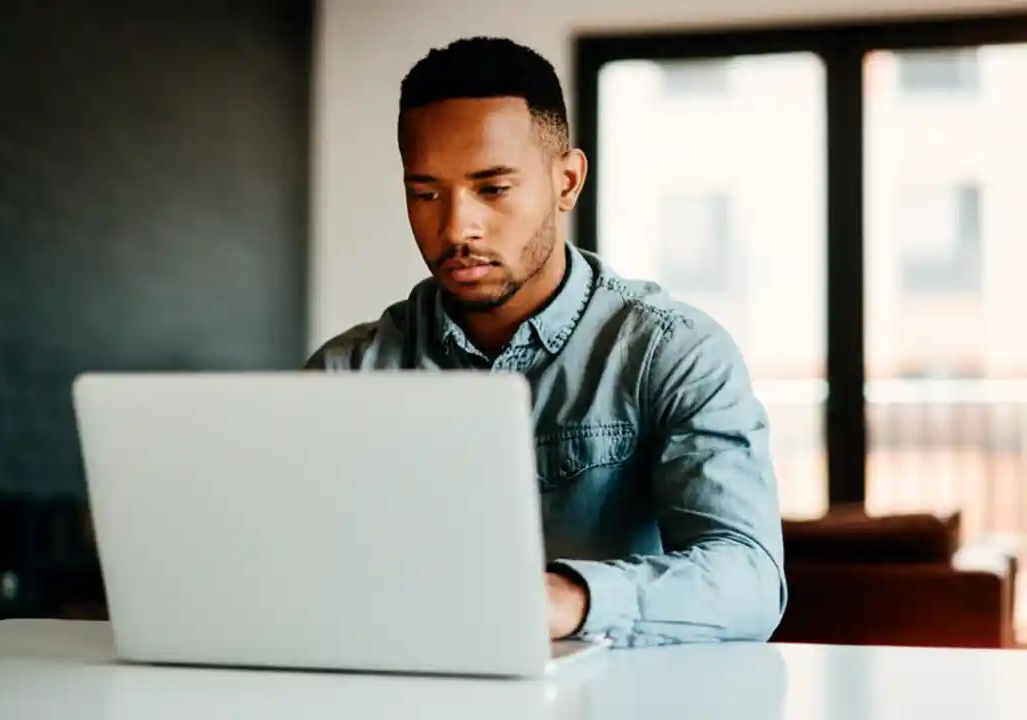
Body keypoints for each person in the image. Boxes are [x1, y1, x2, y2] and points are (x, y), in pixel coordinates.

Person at [305, 36, 785, 649]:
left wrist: (563, 599)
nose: (457, 228)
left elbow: (748, 580)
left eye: (494, 188)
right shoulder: (348, 374)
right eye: (425, 194)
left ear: (566, 181)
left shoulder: (672, 353)